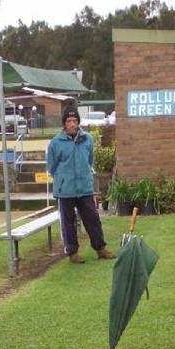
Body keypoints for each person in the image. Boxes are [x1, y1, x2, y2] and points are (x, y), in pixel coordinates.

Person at [46, 105, 113, 264]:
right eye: (68, 121)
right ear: (64, 124)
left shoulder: (87, 139)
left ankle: (100, 248)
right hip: (65, 190)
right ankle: (72, 252)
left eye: (74, 120)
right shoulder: (55, 143)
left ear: (78, 122)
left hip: (84, 187)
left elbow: (90, 160)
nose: (72, 124)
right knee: (68, 222)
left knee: (93, 219)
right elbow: (51, 167)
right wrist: (63, 178)